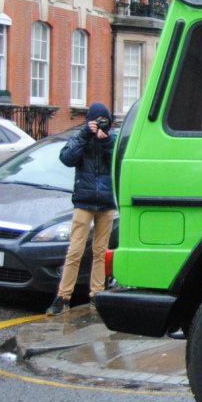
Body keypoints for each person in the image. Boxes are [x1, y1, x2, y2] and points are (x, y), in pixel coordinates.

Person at [45, 103, 116, 316]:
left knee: (100, 252)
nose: (101, 123)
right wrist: (86, 134)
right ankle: (63, 297)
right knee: (75, 251)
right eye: (97, 120)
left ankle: (97, 294)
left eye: (105, 119)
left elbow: (118, 161)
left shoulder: (112, 140)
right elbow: (67, 158)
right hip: (84, 201)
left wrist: (106, 141)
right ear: (89, 121)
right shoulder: (81, 137)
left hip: (106, 202)